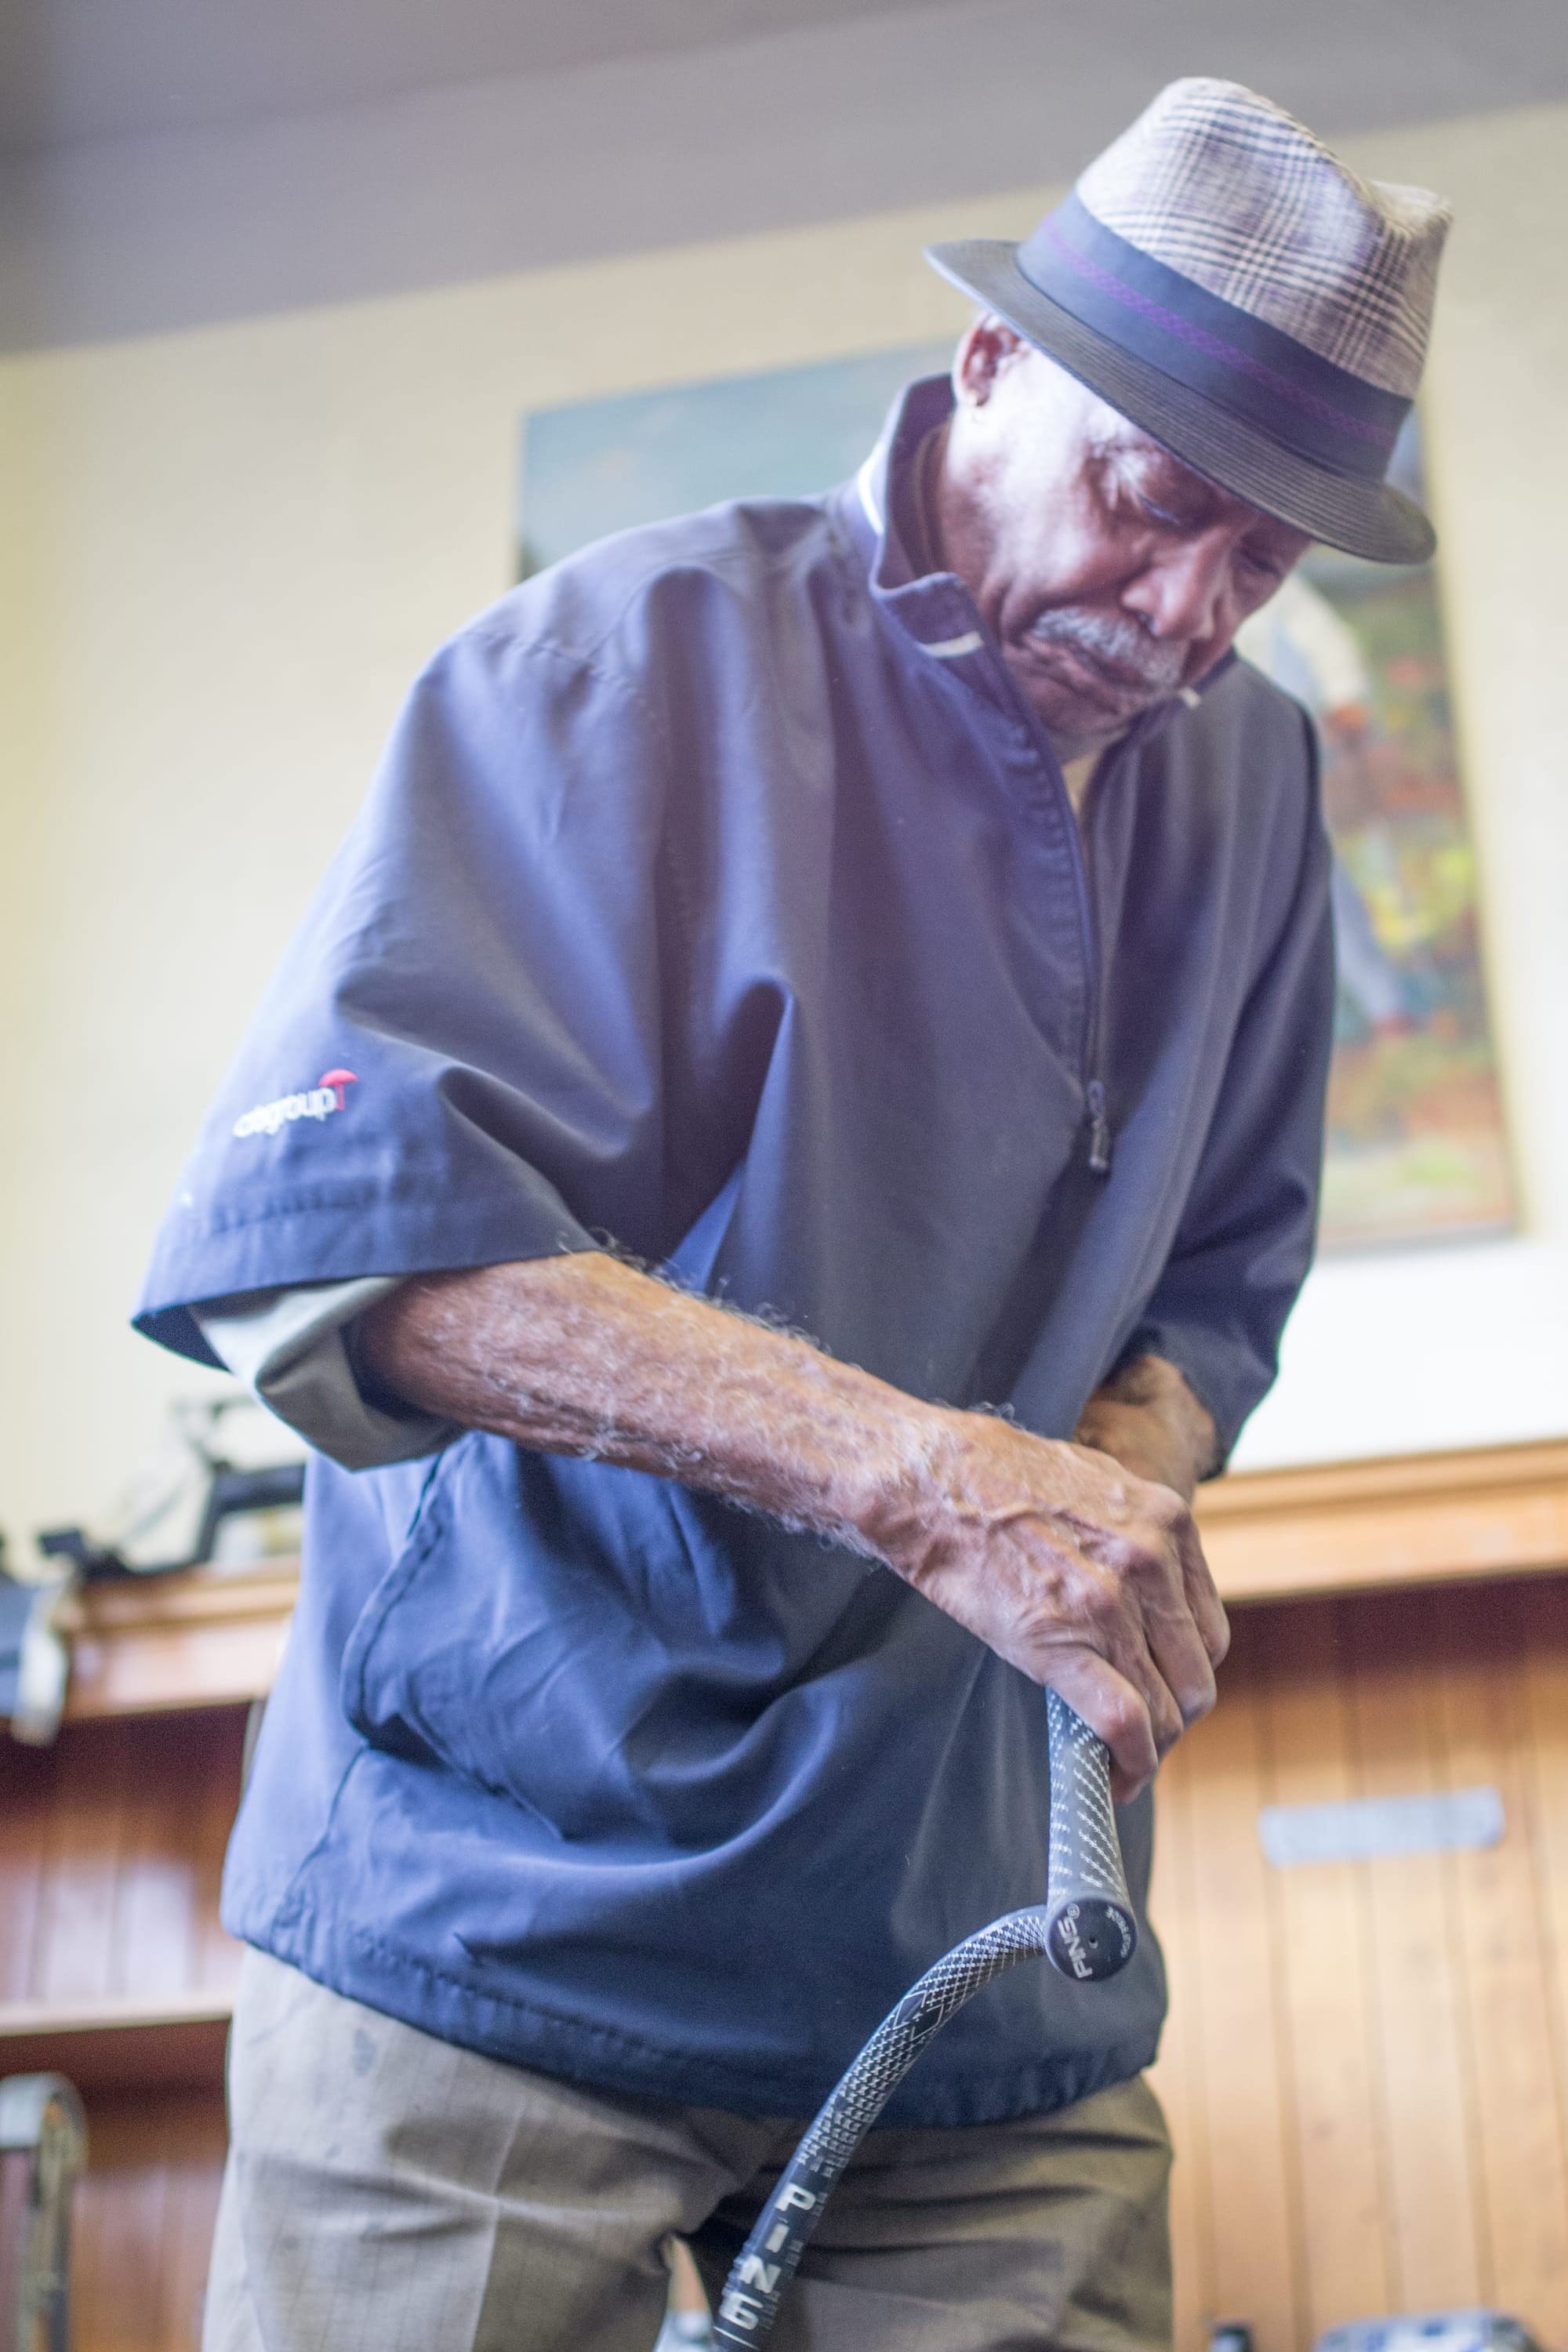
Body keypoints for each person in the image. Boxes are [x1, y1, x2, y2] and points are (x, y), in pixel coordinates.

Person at [136, 76, 1450, 2352]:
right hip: (502, 1905)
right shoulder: (612, 666)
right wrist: (939, 1487)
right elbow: (348, 1249)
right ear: (987, 370)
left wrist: (1115, 1485)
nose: (1190, 612)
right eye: (1156, 507)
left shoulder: (1253, 784)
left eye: (1265, 558)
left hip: (972, 1954)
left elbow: (1223, 1285)